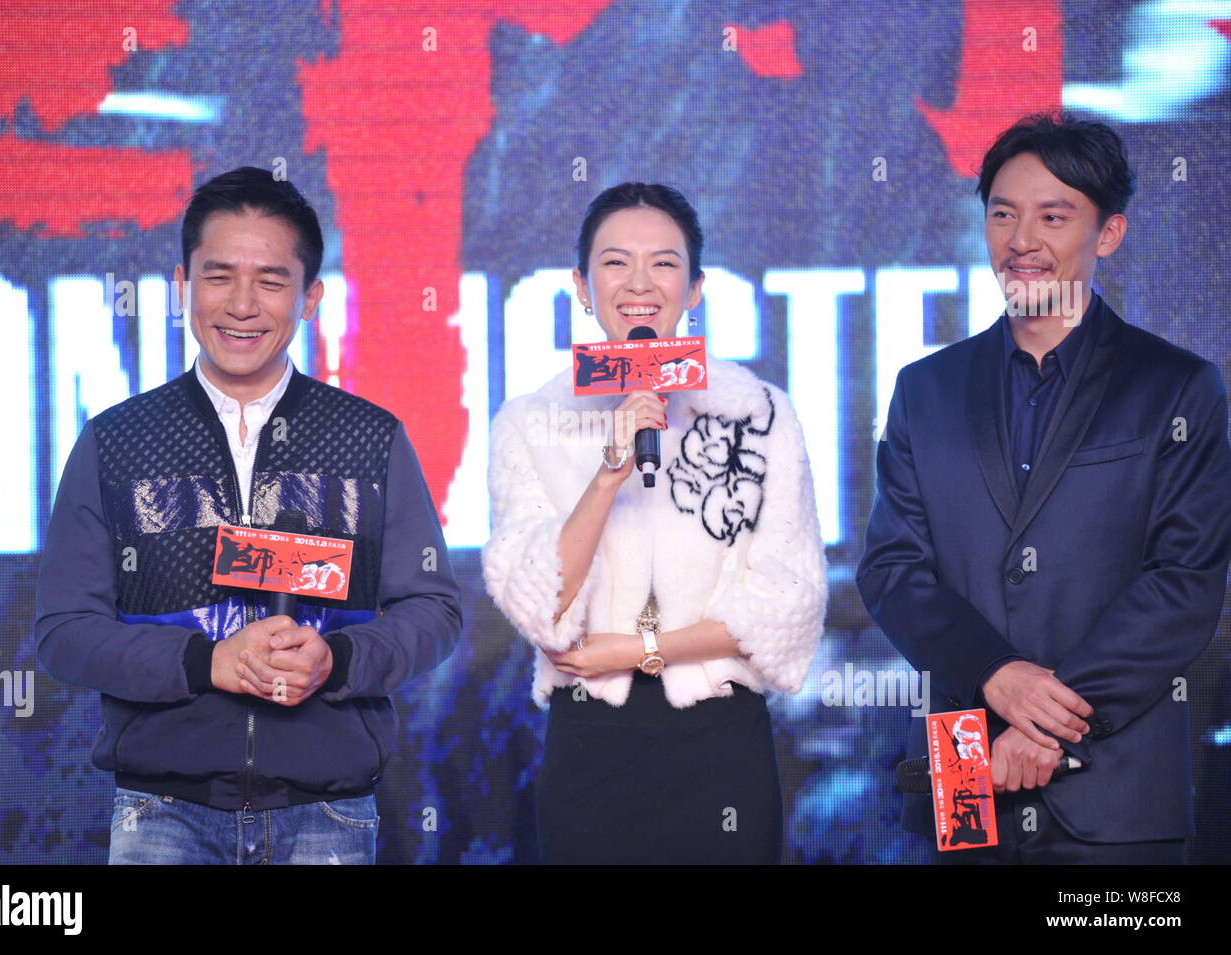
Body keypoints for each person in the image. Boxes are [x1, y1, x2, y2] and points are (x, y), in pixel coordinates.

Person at [35, 167, 462, 864]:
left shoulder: (369, 437)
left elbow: (434, 609)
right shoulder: (116, 441)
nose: (242, 304)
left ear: (310, 296)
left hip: (328, 810)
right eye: (218, 276)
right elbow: (64, 631)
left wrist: (339, 658)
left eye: (270, 280)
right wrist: (208, 662)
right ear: (182, 286)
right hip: (162, 813)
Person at [857, 113, 1231, 863]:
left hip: (1121, 793)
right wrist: (996, 676)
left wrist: (1049, 717)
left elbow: (1185, 581)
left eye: (1053, 216)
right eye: (1003, 213)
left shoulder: (1176, 387)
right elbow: (893, 569)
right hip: (967, 771)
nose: (1022, 239)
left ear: (1108, 233)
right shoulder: (924, 389)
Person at [483, 182, 828, 864]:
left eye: (664, 263)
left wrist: (636, 652)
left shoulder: (758, 412)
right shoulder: (527, 422)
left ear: (695, 287)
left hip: (720, 743)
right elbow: (542, 605)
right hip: (591, 744)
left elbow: (789, 601)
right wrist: (609, 470)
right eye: (615, 262)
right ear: (581, 286)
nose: (640, 283)